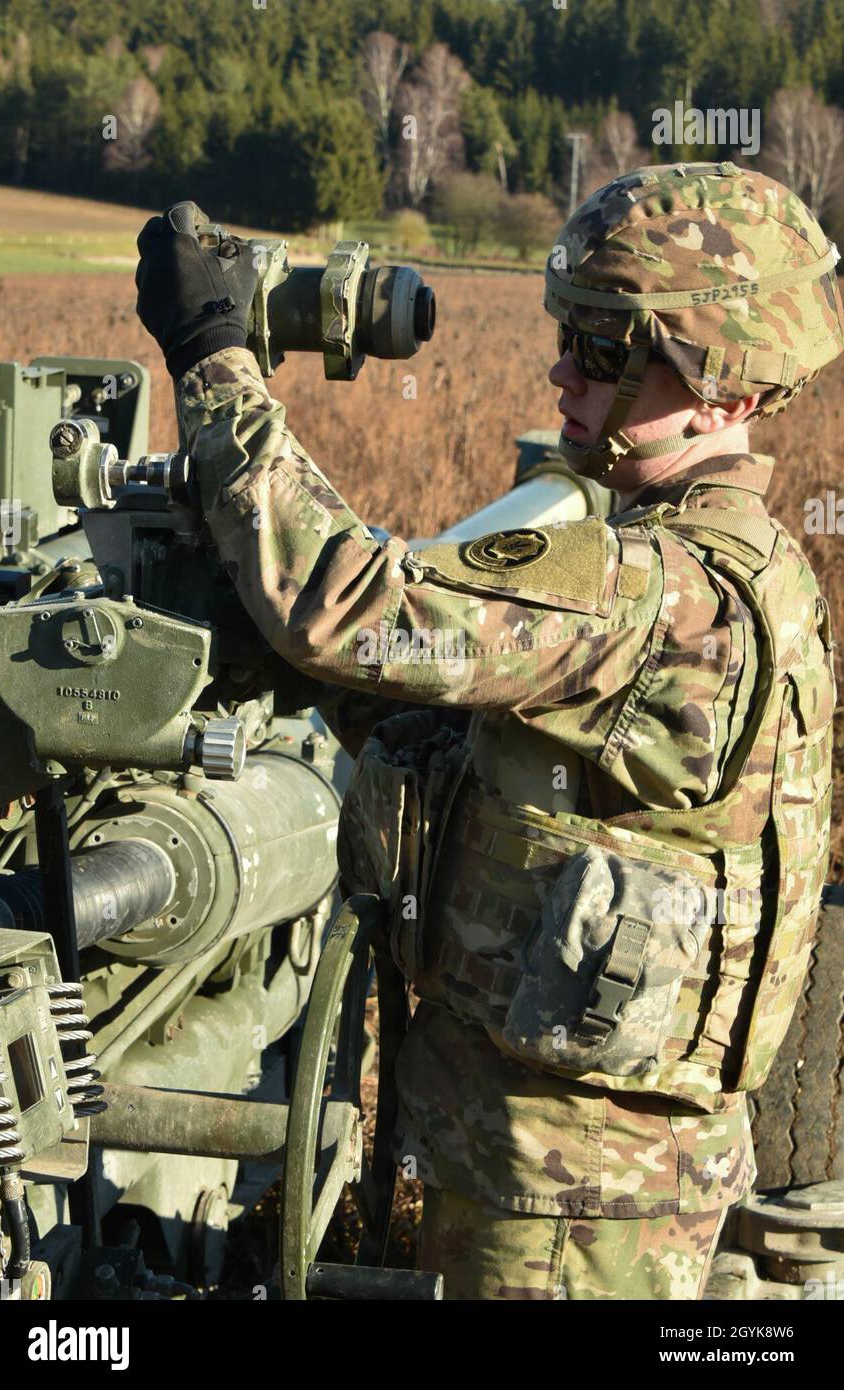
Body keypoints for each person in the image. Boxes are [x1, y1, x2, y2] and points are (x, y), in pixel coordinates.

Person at [135, 162, 841, 1300]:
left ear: (721, 386)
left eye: (605, 350)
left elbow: (348, 607)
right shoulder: (743, 569)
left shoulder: (651, 591)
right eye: (569, 336)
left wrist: (215, 357)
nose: (563, 370)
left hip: (562, 1210)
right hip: (583, 1177)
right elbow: (453, 719)